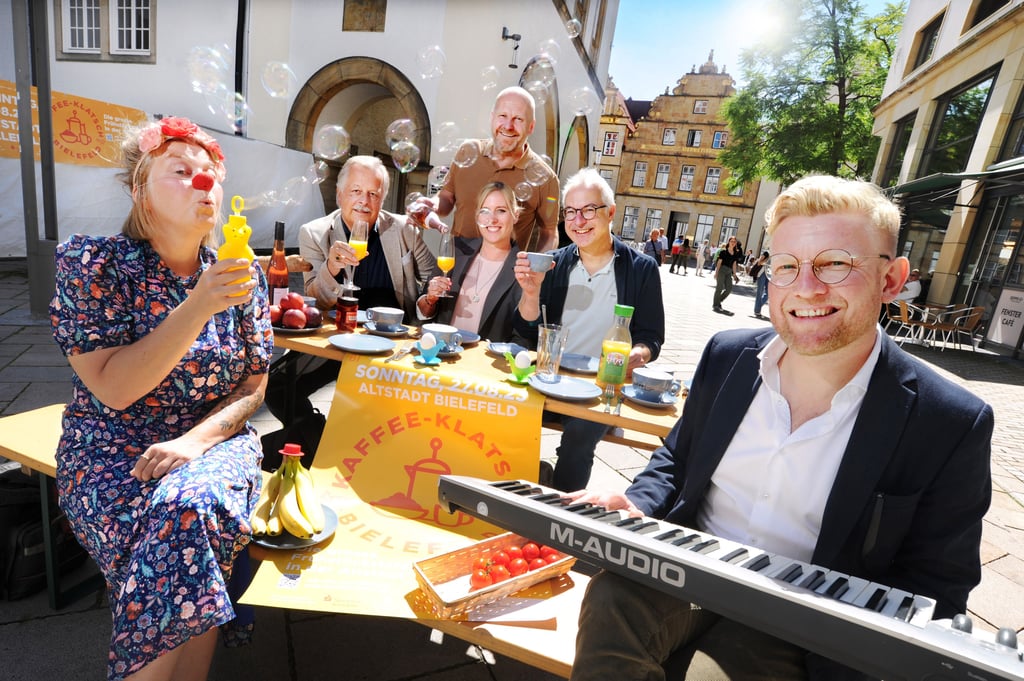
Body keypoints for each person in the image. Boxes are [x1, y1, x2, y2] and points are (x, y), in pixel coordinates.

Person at [568, 175, 993, 681]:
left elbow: (939, 588)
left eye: (836, 263)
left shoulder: (948, 421)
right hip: (689, 564)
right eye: (787, 266)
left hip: (805, 615)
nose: (806, 287)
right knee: (613, 596)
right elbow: (678, 458)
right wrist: (638, 503)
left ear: (892, 279)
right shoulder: (727, 357)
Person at [49, 116, 273, 681]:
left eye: (210, 173)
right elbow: (115, 388)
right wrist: (197, 305)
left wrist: (197, 440)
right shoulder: (93, 264)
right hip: (108, 451)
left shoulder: (241, 277)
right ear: (139, 189)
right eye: (181, 171)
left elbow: (254, 384)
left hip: (211, 443)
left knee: (187, 508)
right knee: (187, 532)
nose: (203, 184)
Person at [513, 168, 665, 492]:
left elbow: (652, 336)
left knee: (580, 436)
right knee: (505, 411)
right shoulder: (552, 264)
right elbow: (525, 330)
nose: (578, 221)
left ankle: (563, 510)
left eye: (588, 210)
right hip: (549, 377)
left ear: (610, 213)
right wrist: (529, 292)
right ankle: (520, 483)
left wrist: (636, 354)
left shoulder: (641, 269)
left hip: (599, 388)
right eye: (570, 212)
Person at [263, 155, 436, 422]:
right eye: (356, 191)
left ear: (382, 199)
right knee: (276, 388)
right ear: (340, 194)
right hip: (338, 336)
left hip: (391, 341)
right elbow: (317, 300)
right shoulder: (315, 232)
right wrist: (331, 268)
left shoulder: (404, 229)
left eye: (373, 194)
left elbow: (432, 280)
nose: (364, 201)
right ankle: (316, 439)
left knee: (365, 411)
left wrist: (428, 300)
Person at [421, 86, 560, 252]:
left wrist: (535, 268)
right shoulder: (467, 151)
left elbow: (549, 233)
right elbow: (447, 197)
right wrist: (433, 205)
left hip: (506, 271)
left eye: (518, 119)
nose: (508, 126)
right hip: (457, 262)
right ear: (492, 118)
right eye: (503, 116)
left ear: (531, 126)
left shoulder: (545, 178)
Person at [417, 181, 522, 340]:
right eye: (485, 211)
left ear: (515, 216)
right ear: (477, 216)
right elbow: (422, 314)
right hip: (440, 355)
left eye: (501, 210)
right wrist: (430, 300)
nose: (492, 219)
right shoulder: (457, 251)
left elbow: (522, 336)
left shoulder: (523, 269)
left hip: (483, 363)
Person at [712, 235, 743, 314]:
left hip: (729, 272)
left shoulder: (736, 253)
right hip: (722, 270)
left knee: (729, 289)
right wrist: (716, 273)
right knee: (719, 288)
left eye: (734, 242)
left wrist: (735, 275)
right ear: (728, 242)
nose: (733, 243)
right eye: (731, 241)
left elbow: (734, 264)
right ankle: (716, 305)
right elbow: (719, 262)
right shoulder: (723, 252)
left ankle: (718, 301)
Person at [750, 249, 770, 319]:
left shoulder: (778, 256)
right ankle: (757, 311)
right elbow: (759, 263)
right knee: (760, 292)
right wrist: (768, 260)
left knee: (768, 293)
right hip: (762, 274)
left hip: (770, 275)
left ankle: (758, 306)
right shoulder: (767, 253)